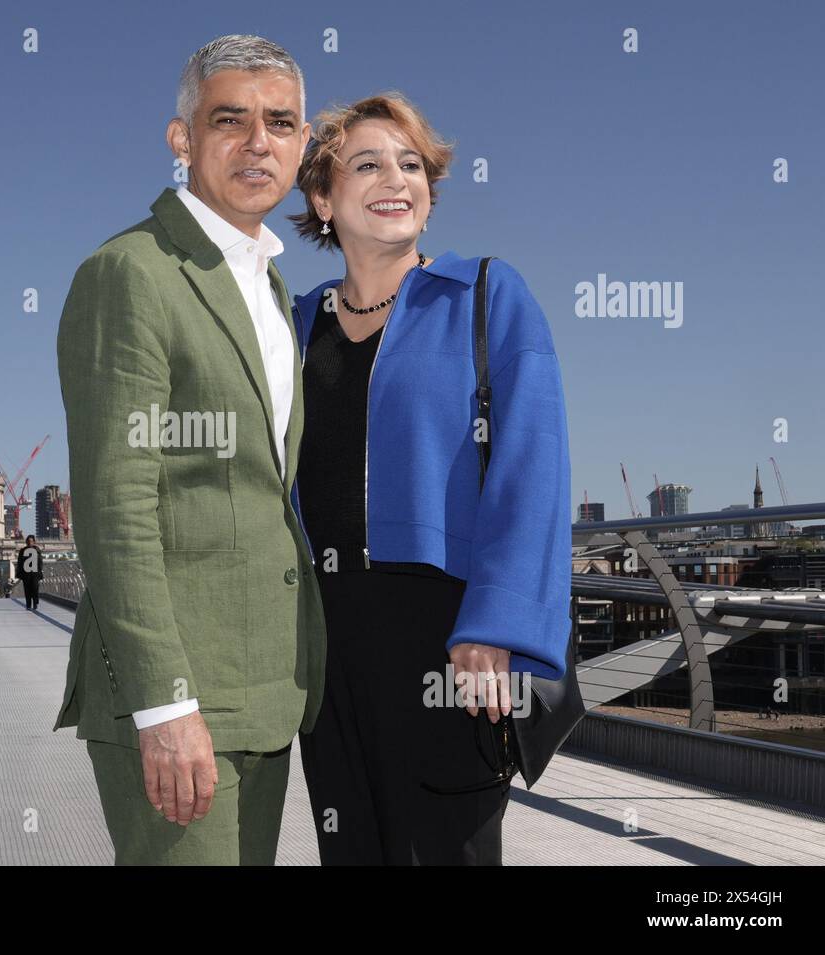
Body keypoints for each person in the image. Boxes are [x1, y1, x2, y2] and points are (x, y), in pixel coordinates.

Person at [54, 34, 326, 866]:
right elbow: (116, 505)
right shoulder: (131, 272)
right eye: (229, 120)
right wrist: (164, 705)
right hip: (183, 697)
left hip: (265, 689)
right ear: (182, 140)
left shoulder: (268, 285)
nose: (258, 143)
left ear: (304, 143)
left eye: (280, 122)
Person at [287, 92, 573, 864]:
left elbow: (534, 465)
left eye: (411, 165)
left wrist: (496, 623)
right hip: (326, 642)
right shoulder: (290, 325)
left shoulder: (486, 295)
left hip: (448, 639)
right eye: (369, 164)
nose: (397, 179)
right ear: (322, 197)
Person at [16, 535, 44, 610]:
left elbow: (40, 561)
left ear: (34, 542)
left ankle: (35, 603)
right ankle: (28, 604)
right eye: (28, 541)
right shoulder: (22, 550)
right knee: (27, 589)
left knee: (35, 588)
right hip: (26, 573)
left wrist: (40, 571)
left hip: (35, 573)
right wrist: (19, 573)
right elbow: (20, 562)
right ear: (26, 542)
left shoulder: (37, 549)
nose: (29, 543)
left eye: (31, 541)